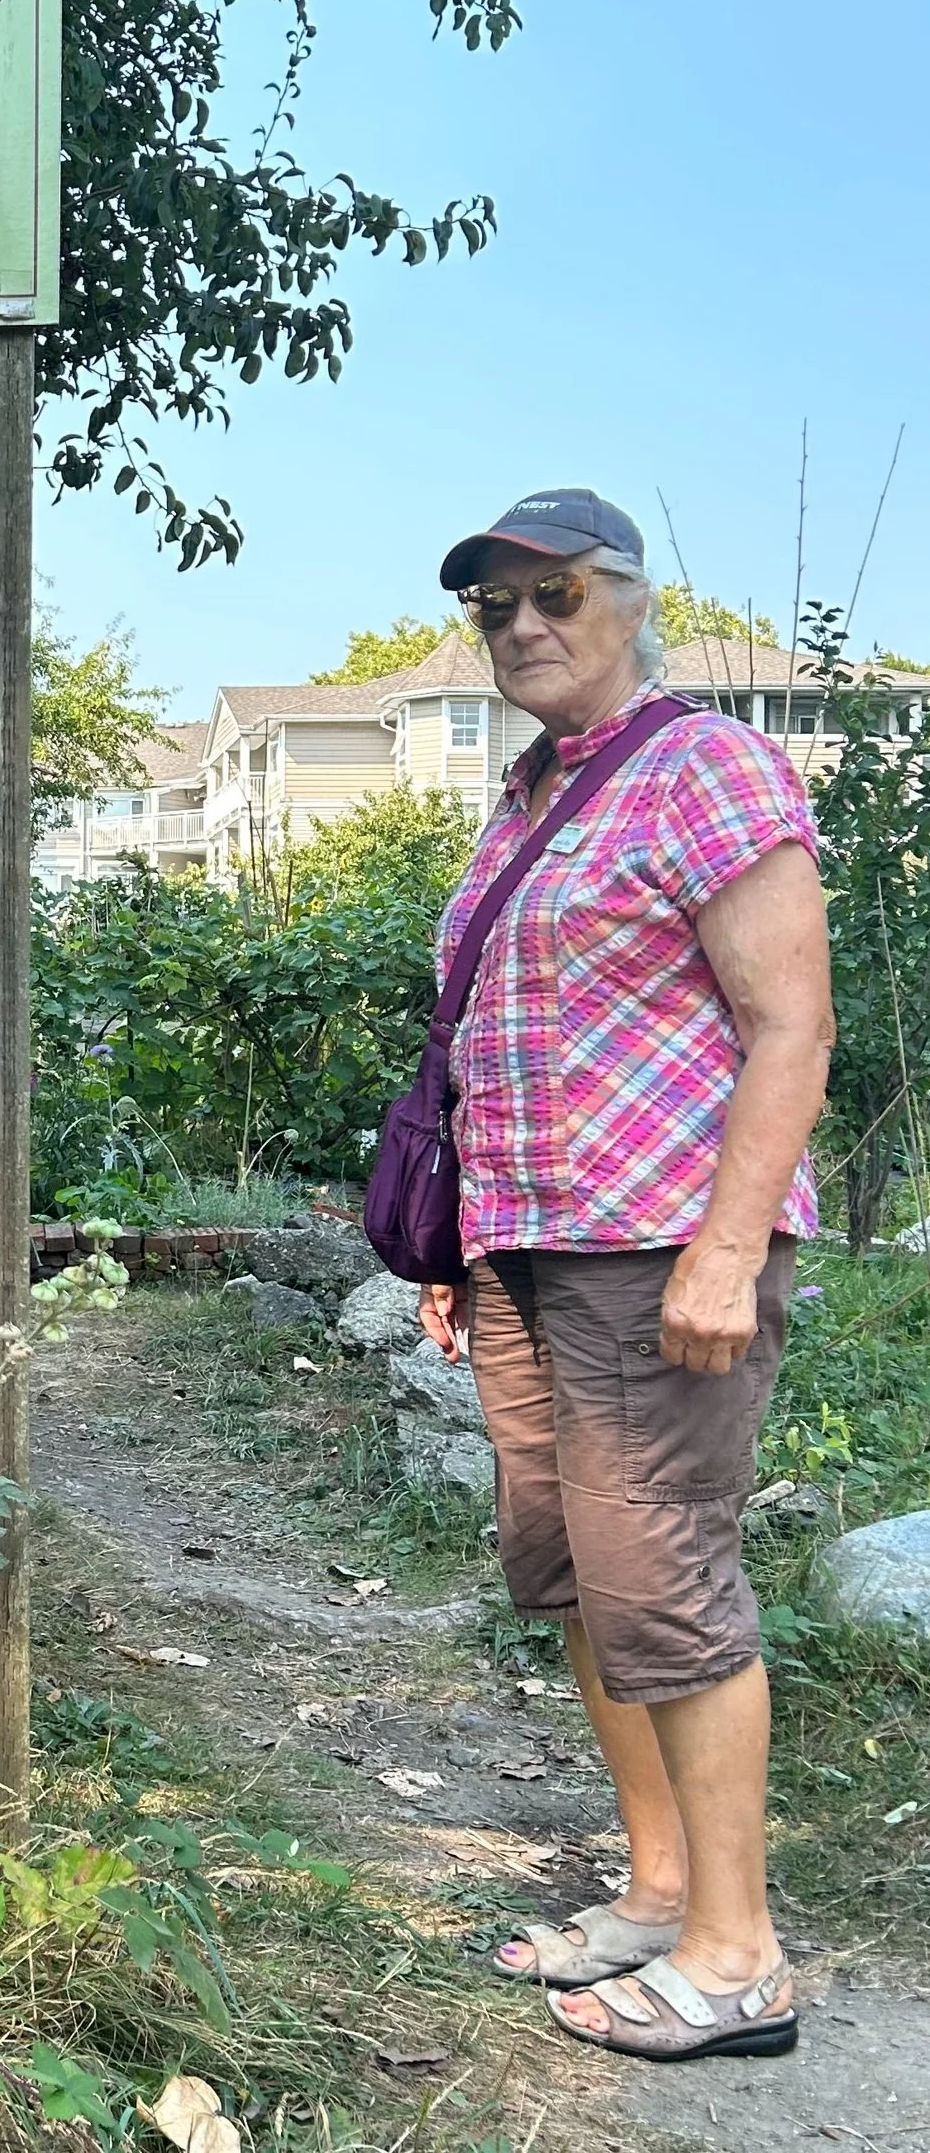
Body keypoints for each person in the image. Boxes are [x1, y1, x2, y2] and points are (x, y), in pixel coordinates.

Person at [422, 490, 833, 2063]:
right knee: (582, 1577)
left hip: (659, 1241)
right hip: (531, 1245)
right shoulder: (528, 794)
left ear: (628, 602)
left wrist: (729, 1250)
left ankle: (740, 1960)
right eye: (496, 607)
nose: (523, 626)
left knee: (664, 1576)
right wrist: (466, 1243)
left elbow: (789, 1025)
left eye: (555, 594)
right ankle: (662, 1886)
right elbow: (496, 1046)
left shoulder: (704, 763)